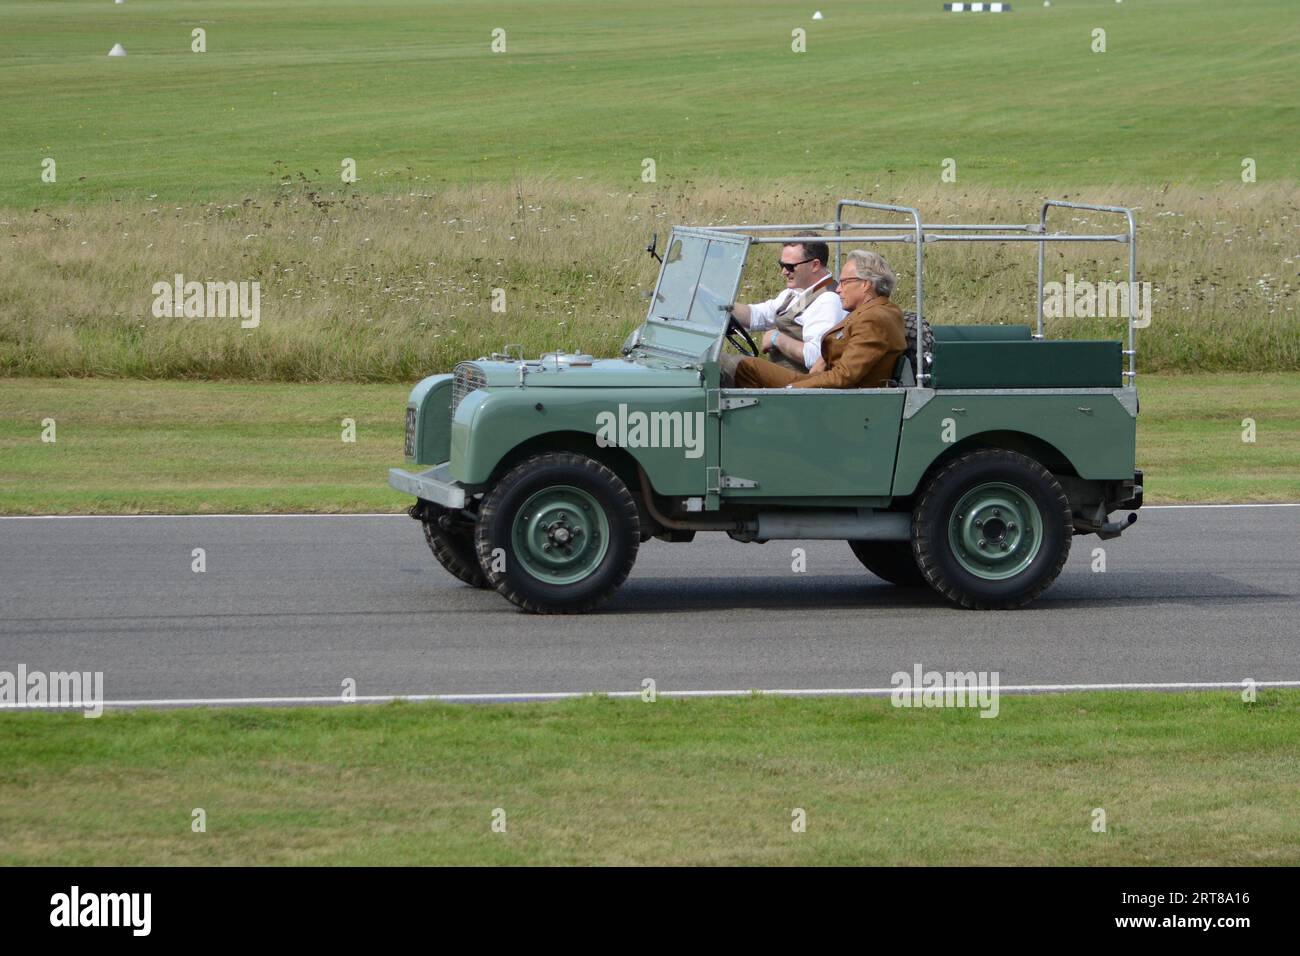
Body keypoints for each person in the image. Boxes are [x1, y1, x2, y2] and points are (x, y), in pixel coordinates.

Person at [734, 250, 906, 389]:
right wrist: (824, 359)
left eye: (845, 282)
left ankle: (761, 427)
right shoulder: (870, 312)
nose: (838, 289)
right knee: (749, 366)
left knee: (747, 368)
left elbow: (845, 376)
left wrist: (794, 388)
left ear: (866, 284)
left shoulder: (874, 319)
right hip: (825, 384)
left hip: (839, 399)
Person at [721, 233, 845, 383]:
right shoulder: (798, 293)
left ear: (815, 265)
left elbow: (817, 356)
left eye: (790, 267)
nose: (784, 272)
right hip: (784, 377)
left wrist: (776, 338)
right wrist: (718, 304)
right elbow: (758, 315)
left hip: (800, 384)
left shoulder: (828, 300)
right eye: (782, 265)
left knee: (725, 366)